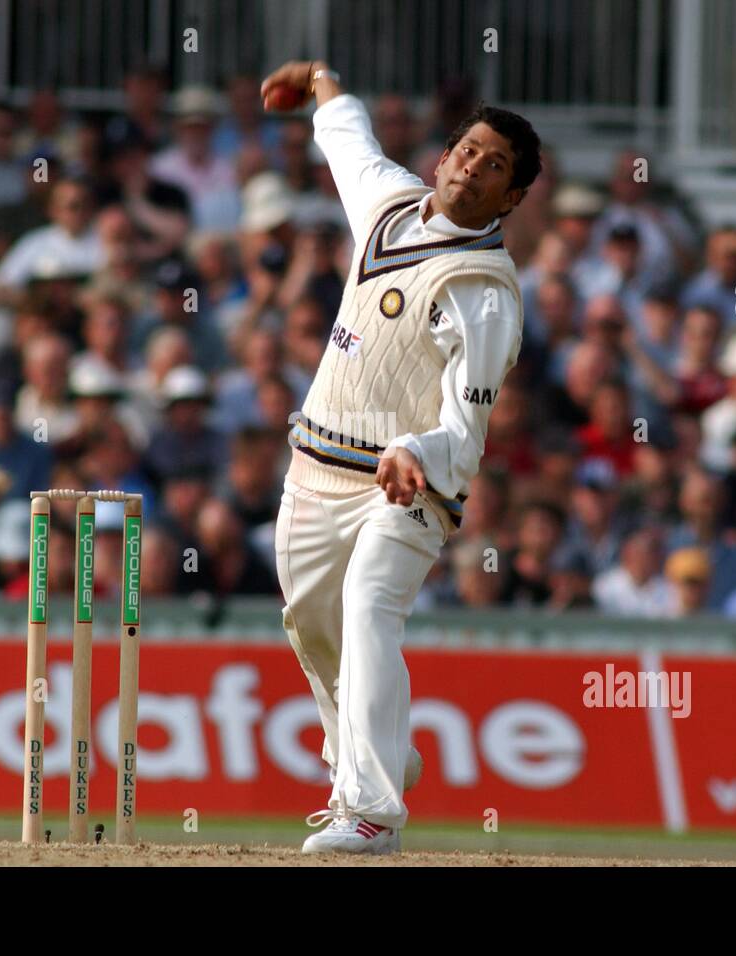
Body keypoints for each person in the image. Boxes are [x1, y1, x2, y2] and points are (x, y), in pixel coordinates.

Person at [261, 59, 539, 854]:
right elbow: (348, 138)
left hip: (408, 484)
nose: (475, 168)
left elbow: (468, 425)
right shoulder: (385, 204)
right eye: (470, 151)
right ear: (444, 156)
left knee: (368, 610)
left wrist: (415, 448)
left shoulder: (484, 291)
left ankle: (371, 809)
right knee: (312, 628)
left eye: (497, 168)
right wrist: (319, 78)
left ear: (510, 199)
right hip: (314, 468)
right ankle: (374, 755)